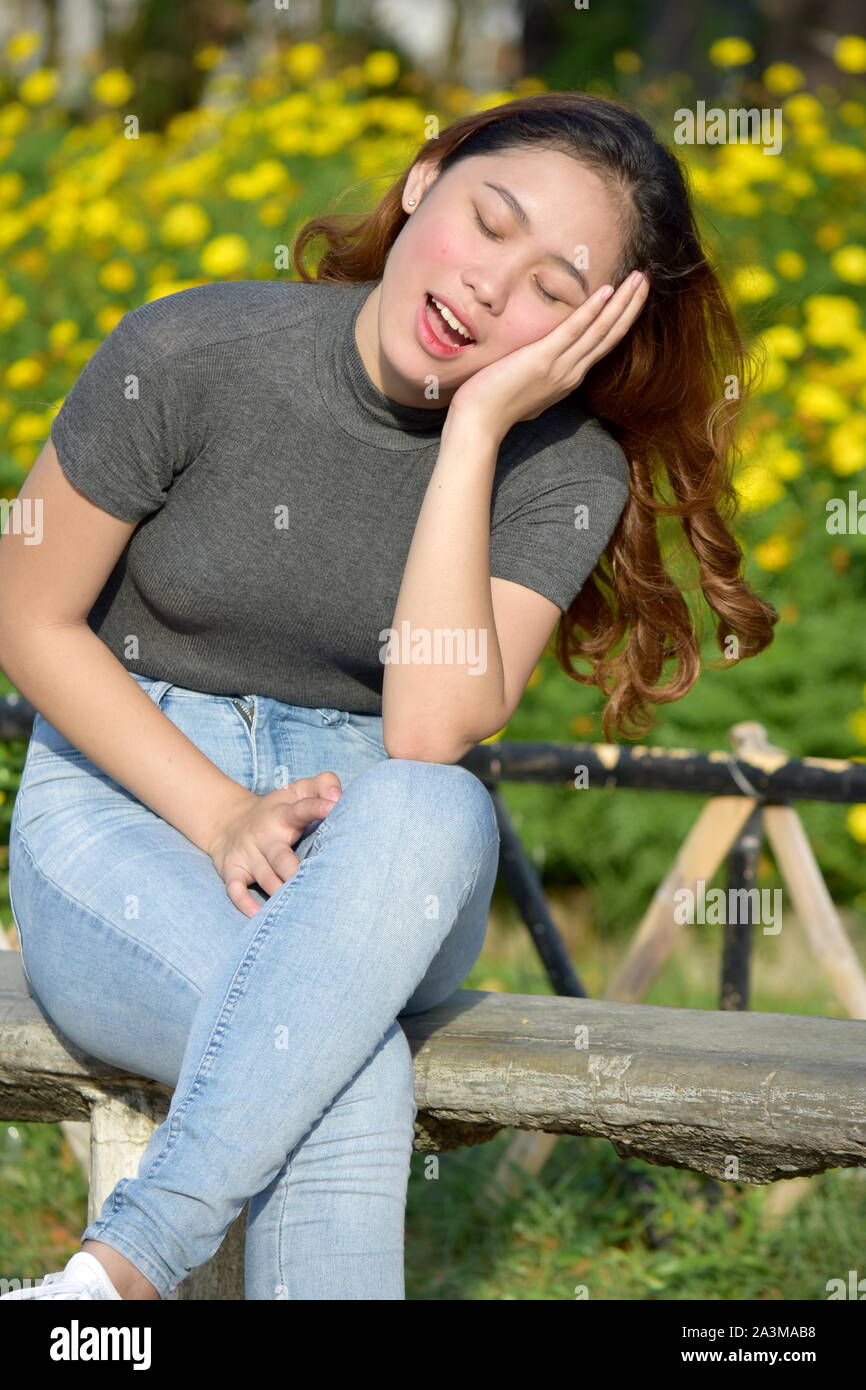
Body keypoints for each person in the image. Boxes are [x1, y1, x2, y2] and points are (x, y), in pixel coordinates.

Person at [0, 90, 776, 1301]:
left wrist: (472, 436)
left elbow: (423, 729)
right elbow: (24, 614)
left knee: (438, 800)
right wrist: (215, 811)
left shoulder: (560, 468)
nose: (486, 289)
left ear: (593, 331)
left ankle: (113, 1278)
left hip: (373, 871)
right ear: (423, 181)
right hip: (125, 812)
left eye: (551, 289)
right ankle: (114, 1285)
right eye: (488, 220)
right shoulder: (187, 352)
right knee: (340, 1066)